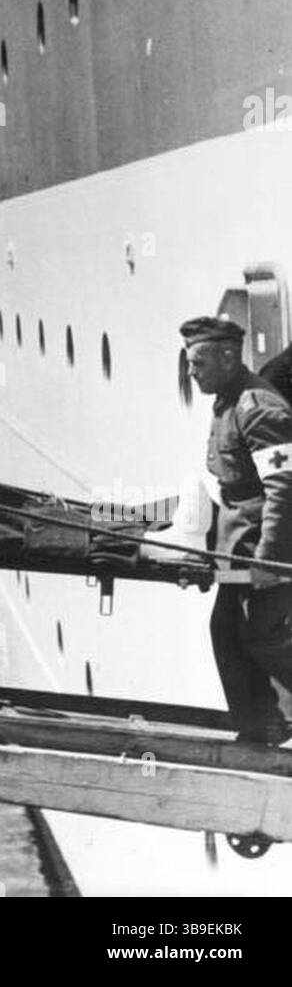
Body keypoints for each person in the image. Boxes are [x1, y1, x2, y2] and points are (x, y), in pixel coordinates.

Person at [181, 314, 292, 744]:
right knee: (228, 631)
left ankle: (264, 724)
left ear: (228, 357)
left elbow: (284, 488)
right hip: (238, 544)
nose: (191, 373)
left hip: (263, 545)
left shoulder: (257, 408)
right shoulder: (227, 403)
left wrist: (270, 554)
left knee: (264, 638)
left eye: (199, 364)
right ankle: (261, 726)